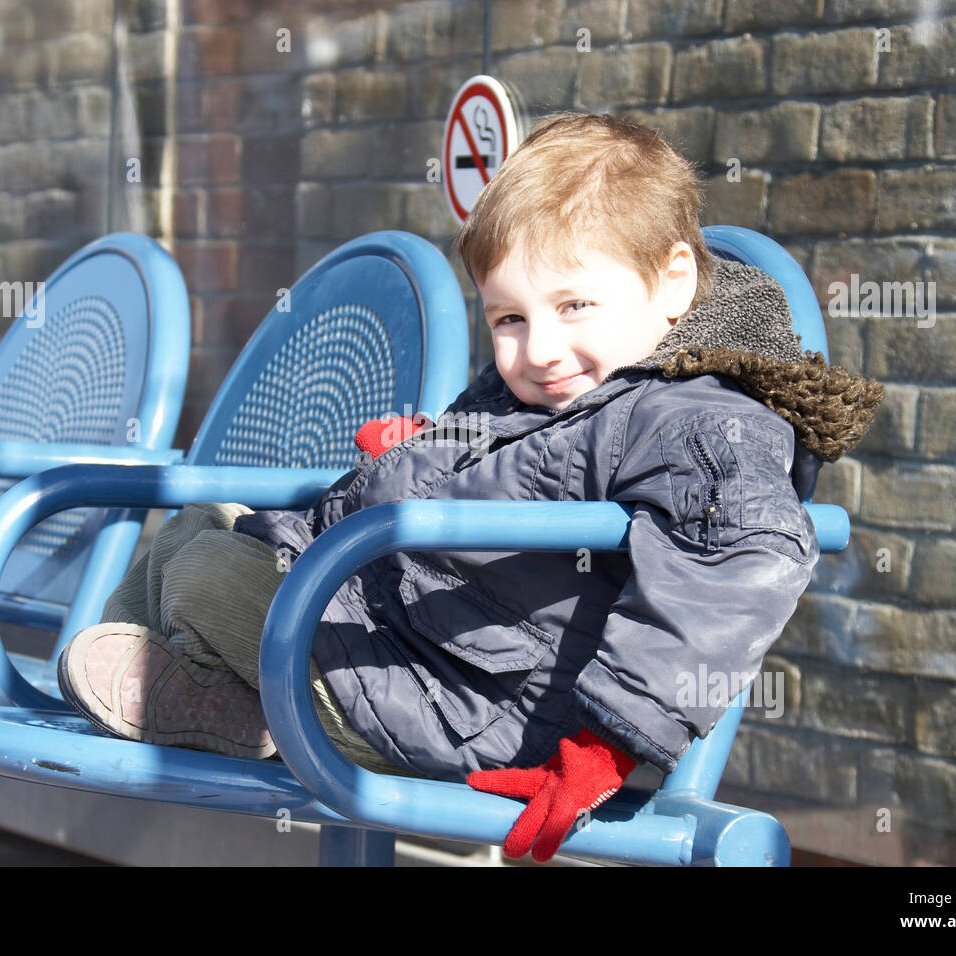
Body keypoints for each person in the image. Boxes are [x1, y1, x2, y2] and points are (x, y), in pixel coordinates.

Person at [56, 111, 884, 862]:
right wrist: (407, 460)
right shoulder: (542, 390)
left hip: (484, 716)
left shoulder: (697, 423)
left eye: (574, 305)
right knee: (201, 522)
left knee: (205, 577)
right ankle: (184, 690)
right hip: (406, 640)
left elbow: (740, 561)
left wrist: (602, 748)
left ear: (671, 284)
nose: (540, 349)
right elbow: (478, 461)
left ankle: (202, 699)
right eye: (510, 318)